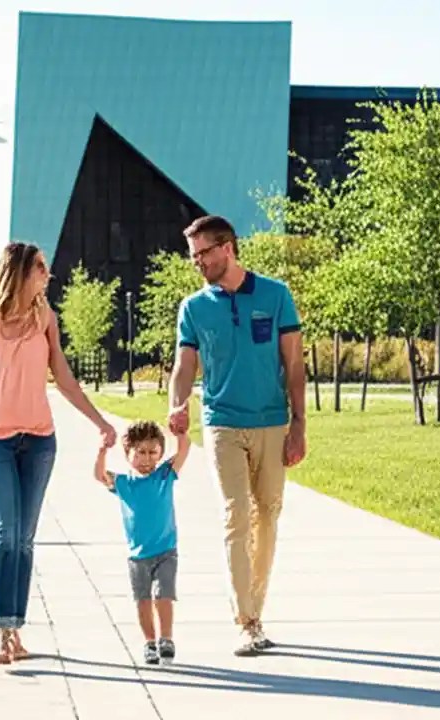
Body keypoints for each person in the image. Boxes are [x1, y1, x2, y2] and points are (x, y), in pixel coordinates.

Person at [0, 241, 118, 665]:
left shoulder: (46, 319)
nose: (48, 272)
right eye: (40, 266)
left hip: (39, 442)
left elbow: (64, 377)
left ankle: (15, 629)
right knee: (5, 532)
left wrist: (99, 421)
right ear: (20, 271)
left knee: (23, 539)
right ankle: (1, 628)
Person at [167, 214, 307, 657]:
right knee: (236, 514)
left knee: (267, 515)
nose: (197, 263)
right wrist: (177, 403)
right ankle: (246, 620)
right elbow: (184, 366)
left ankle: (256, 609)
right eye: (193, 256)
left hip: (272, 421)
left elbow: (294, 364)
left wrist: (299, 423)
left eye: (203, 253)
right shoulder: (193, 307)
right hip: (222, 422)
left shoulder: (276, 295)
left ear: (227, 247)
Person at [93, 420, 190, 665]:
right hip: (138, 556)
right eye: (140, 452)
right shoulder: (124, 483)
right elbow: (100, 475)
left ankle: (166, 639)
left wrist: (180, 433)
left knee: (164, 595)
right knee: (143, 600)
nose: (146, 458)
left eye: (152, 452)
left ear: (160, 453)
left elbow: (184, 450)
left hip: (166, 550)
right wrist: (102, 450)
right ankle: (149, 642)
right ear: (128, 454)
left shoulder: (165, 475)